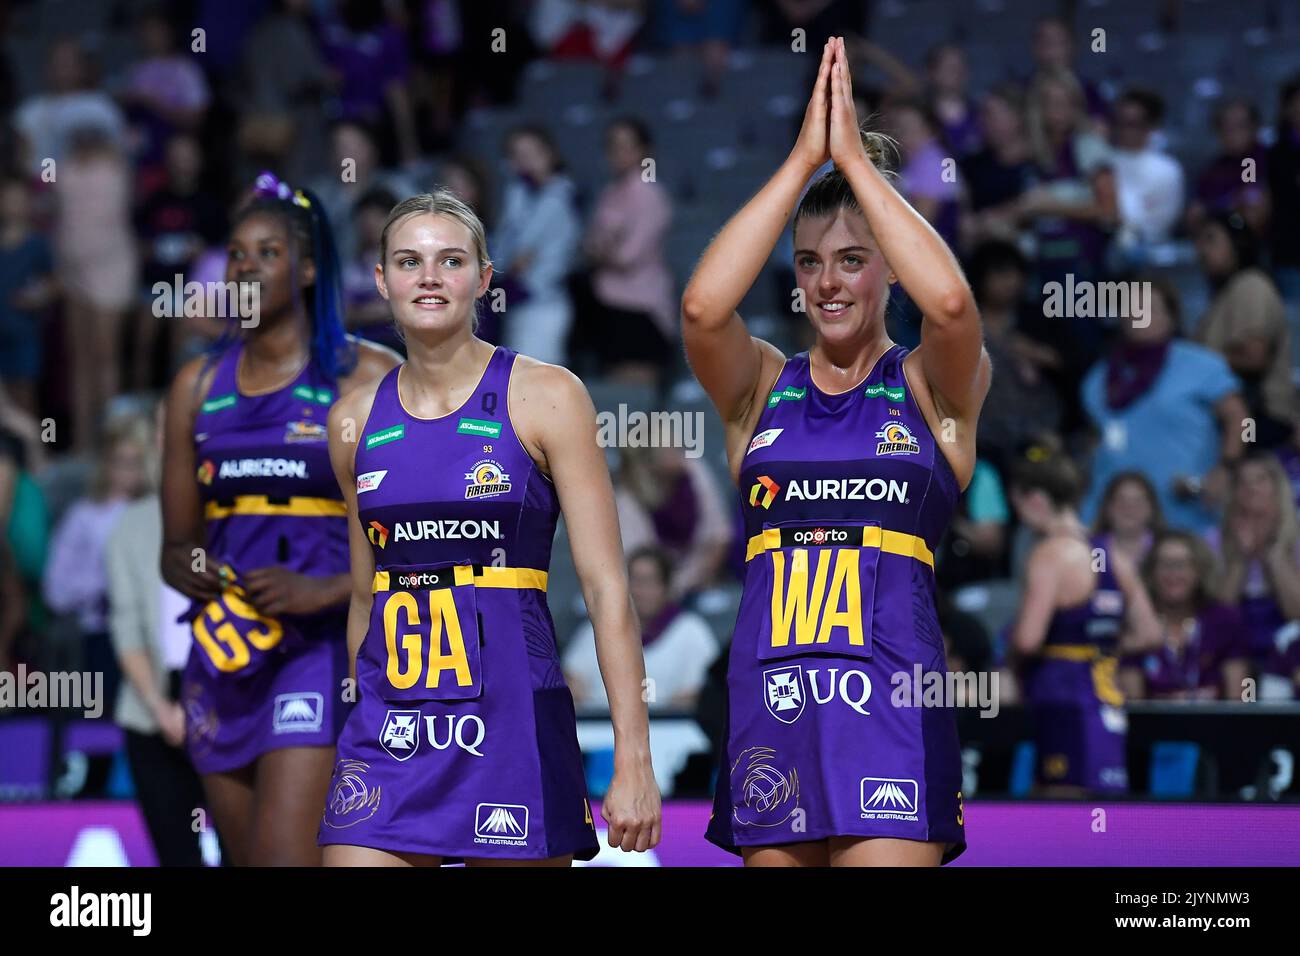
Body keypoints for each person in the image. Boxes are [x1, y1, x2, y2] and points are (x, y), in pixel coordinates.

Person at [683, 39, 989, 866]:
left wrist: (855, 163)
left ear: (889, 268)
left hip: (889, 706)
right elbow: (705, 312)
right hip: (771, 700)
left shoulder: (930, 384)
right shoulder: (762, 387)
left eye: (853, 261)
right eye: (811, 263)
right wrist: (802, 164)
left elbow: (955, 305)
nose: (829, 283)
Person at [318, 191, 659, 865]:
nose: (430, 277)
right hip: (391, 728)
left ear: (484, 277)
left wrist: (633, 758)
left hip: (511, 721)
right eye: (409, 262)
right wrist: (360, 715)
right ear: (382, 280)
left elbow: (605, 588)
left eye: (451, 260)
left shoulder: (549, 394)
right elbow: (366, 595)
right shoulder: (350, 420)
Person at [160, 173, 400, 866]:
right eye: (236, 253)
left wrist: (322, 591)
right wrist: (191, 569)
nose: (244, 266)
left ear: (306, 267)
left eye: (266, 252)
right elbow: (177, 547)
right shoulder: (195, 386)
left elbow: (414, 533)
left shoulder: (365, 377)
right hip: (224, 653)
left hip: (320, 652)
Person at [1008, 441, 1159, 797]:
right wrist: (1098, 648)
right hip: (1106, 701)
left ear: (1035, 500)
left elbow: (1028, 639)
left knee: (1060, 818)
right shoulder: (1111, 554)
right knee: (1097, 820)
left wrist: (1010, 667)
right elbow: (1151, 633)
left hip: (1060, 699)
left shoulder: (1049, 554)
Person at [107, 403, 208, 866]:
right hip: (152, 707)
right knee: (176, 856)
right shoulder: (131, 525)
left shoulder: (239, 514)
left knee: (245, 850)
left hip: (232, 693)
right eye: (170, 433)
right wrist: (162, 708)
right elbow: (125, 625)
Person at [1080, 277, 1248, 534]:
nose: (1140, 316)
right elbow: (1098, 444)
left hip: (1188, 516)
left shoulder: (1201, 365)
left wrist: (1228, 467)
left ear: (1172, 318)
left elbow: (1244, 420)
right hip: (1118, 523)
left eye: (1151, 308)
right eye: (1132, 308)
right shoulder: (1096, 380)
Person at [43, 411, 155, 706]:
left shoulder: (159, 514)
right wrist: (102, 587)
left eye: (136, 462)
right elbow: (55, 590)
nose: (128, 472)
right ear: (106, 462)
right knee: (101, 724)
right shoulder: (84, 516)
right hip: (99, 636)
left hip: (152, 636)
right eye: (120, 461)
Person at [569, 117, 675, 386]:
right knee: (613, 399)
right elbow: (588, 244)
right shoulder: (609, 192)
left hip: (640, 308)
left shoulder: (650, 194)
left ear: (644, 151)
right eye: (613, 146)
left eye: (628, 146)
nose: (619, 153)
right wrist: (602, 248)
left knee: (635, 401)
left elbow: (627, 256)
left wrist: (602, 250)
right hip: (606, 303)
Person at [564, 546, 719, 712]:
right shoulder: (596, 629)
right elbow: (572, 679)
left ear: (666, 587)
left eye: (648, 581)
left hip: (670, 729)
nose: (639, 591)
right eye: (633, 581)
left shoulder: (691, 631)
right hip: (599, 728)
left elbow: (698, 693)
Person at [1194, 212, 1297, 448]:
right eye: (1199, 241)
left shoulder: (1251, 284)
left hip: (1260, 418)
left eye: (1211, 240)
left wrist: (1197, 362)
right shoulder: (1223, 296)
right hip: (1234, 415)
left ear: (1237, 244)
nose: (1202, 250)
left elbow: (1254, 356)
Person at [1207, 454, 1300, 698]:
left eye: (1260, 480)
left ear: (1277, 488)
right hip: (1234, 652)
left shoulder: (1297, 539)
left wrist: (1274, 554)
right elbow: (1219, 618)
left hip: (1288, 652)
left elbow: (1296, 612)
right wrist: (1241, 559)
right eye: (1243, 482)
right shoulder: (1213, 541)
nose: (1251, 488)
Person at [1118, 530, 1250, 702]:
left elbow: (1241, 697)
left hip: (1216, 725)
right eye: (1164, 565)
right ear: (1151, 573)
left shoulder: (1225, 619)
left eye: (1181, 565)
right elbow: (1132, 704)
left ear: (1199, 571)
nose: (1173, 574)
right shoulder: (1136, 622)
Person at [491, 124, 581, 366]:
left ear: (551, 155)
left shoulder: (559, 197)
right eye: (517, 156)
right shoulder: (521, 194)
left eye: (533, 154)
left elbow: (520, 258)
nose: (525, 162)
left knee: (538, 386)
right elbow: (502, 252)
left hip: (544, 306)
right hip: (518, 304)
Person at [613, 445, 732, 601]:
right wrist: (669, 590)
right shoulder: (626, 499)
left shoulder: (693, 470)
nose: (679, 452)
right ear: (648, 461)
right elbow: (637, 564)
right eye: (669, 448)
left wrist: (685, 584)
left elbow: (720, 537)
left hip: (700, 582)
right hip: (650, 595)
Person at [1108, 88, 1184, 270]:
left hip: (1151, 261)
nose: (1127, 129)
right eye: (1122, 122)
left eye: (1134, 123)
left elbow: (1160, 222)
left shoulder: (1168, 169)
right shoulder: (1103, 161)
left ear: (1150, 125)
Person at [0, 178, 56, 414]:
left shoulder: (38, 243)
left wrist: (39, 296)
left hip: (24, 330)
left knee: (25, 392)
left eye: (20, 200)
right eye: (9, 200)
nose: (15, 206)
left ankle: (31, 445)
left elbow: (53, 281)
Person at [1091, 471, 1162, 569]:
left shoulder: (1164, 549)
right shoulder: (1097, 550)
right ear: (1108, 508)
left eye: (1137, 501)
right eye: (1121, 500)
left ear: (1151, 508)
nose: (1129, 509)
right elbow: (1096, 581)